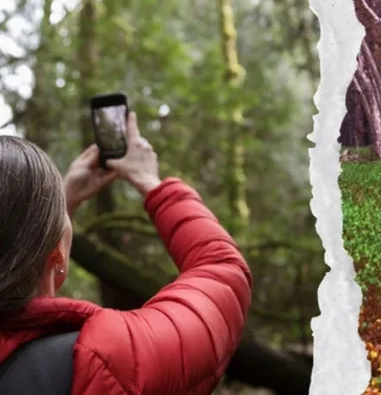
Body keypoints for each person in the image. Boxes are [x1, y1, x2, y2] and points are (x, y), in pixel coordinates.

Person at [0, 112, 252, 394]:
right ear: (57, 251)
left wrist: (59, 205)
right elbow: (223, 270)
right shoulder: (105, 358)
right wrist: (150, 182)